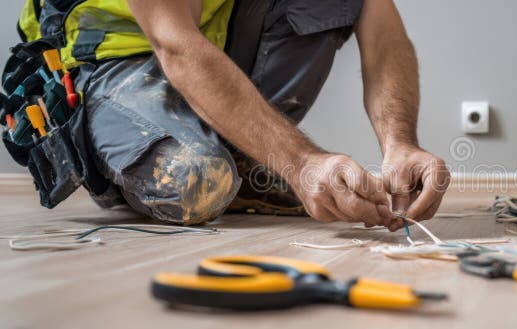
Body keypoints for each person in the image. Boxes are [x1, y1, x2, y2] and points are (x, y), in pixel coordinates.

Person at [56, 0, 450, 230]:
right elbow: (174, 42)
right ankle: (119, 161)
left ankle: (245, 163)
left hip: (210, 53)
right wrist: (300, 163)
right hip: (117, 59)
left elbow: (385, 38)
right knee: (197, 180)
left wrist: (400, 144)